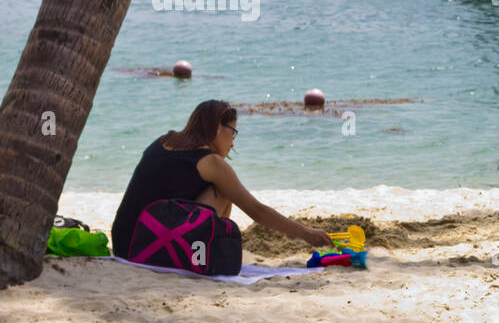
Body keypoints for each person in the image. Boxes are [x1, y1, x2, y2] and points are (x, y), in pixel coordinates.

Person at [111, 100, 333, 257]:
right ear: (218, 127)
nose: (233, 142)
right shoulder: (211, 163)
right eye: (233, 133)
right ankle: (206, 254)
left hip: (124, 241)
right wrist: (308, 234)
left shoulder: (164, 140)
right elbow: (257, 211)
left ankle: (205, 250)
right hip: (148, 248)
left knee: (216, 187)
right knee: (222, 191)